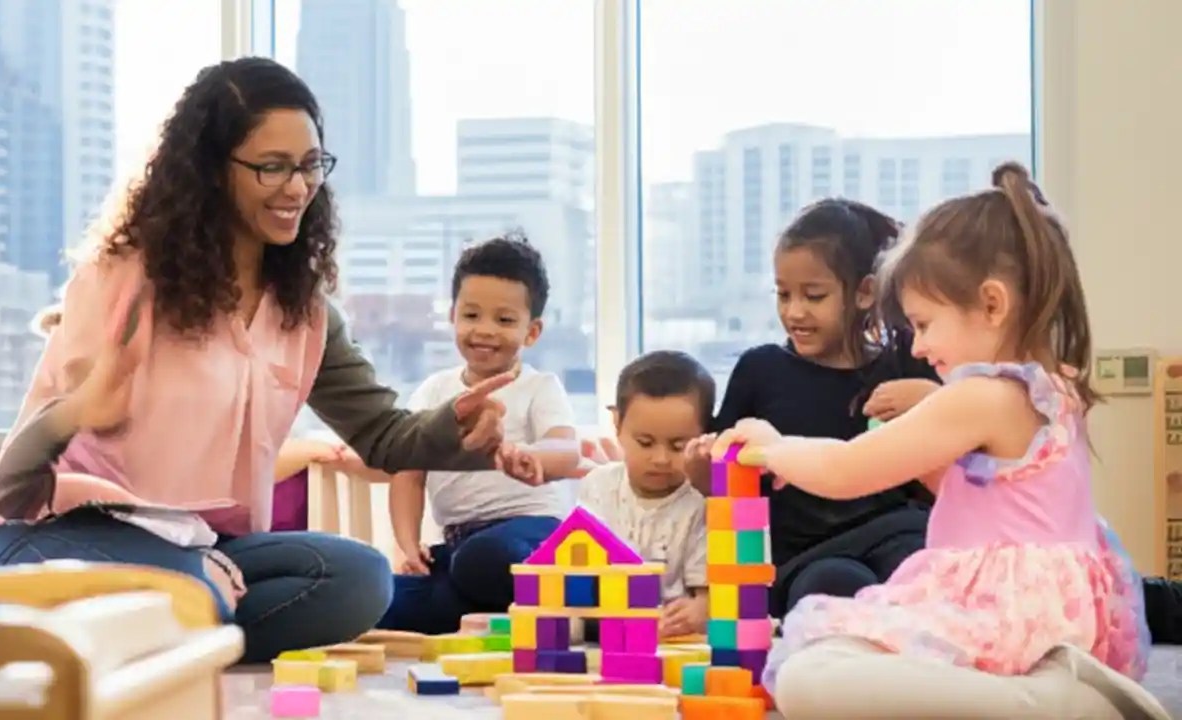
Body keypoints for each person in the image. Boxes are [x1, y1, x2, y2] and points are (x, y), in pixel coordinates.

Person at [0, 57, 554, 664]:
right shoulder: (124, 281)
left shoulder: (303, 310)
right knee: (192, 587)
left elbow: (383, 433)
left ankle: (154, 632)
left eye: (311, 165)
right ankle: (165, 614)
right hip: (54, 535)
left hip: (209, 549)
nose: (298, 188)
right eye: (272, 167)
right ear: (210, 171)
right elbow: (14, 485)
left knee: (361, 577)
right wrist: (80, 409)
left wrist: (458, 427)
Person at [715, 163, 1165, 718]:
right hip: (1042, 613)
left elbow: (847, 471)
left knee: (807, 675)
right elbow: (979, 495)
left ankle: (1054, 702)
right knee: (834, 650)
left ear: (993, 305)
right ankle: (1053, 689)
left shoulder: (983, 395)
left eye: (924, 324)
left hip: (1012, 614)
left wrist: (773, 443)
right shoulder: (1051, 388)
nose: (920, 348)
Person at [687, 198, 940, 617]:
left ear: (864, 293)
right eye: (783, 294)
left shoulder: (907, 364)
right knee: (830, 590)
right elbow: (733, 481)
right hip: (807, 557)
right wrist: (703, 473)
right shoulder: (761, 370)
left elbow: (960, 465)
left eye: (814, 295)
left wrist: (929, 400)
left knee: (920, 572)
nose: (794, 311)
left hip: (898, 533)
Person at [30, 301, 378, 535]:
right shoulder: (83, 434)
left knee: (352, 569)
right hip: (144, 529)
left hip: (201, 529)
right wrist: (310, 451)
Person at [378, 234, 581, 633]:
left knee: (481, 560)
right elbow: (408, 473)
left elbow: (568, 450)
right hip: (457, 546)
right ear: (453, 315)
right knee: (381, 597)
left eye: (504, 320)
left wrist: (533, 457)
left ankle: (573, 601)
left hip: (532, 533)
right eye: (471, 316)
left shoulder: (540, 387)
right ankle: (504, 615)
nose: (485, 330)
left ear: (532, 331)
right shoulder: (434, 391)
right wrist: (408, 544)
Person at [579, 351, 712, 638]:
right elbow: (576, 569)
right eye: (645, 443)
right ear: (617, 424)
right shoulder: (598, 486)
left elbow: (708, 595)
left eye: (678, 446)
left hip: (671, 634)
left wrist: (701, 609)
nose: (661, 459)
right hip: (606, 622)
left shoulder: (700, 501)